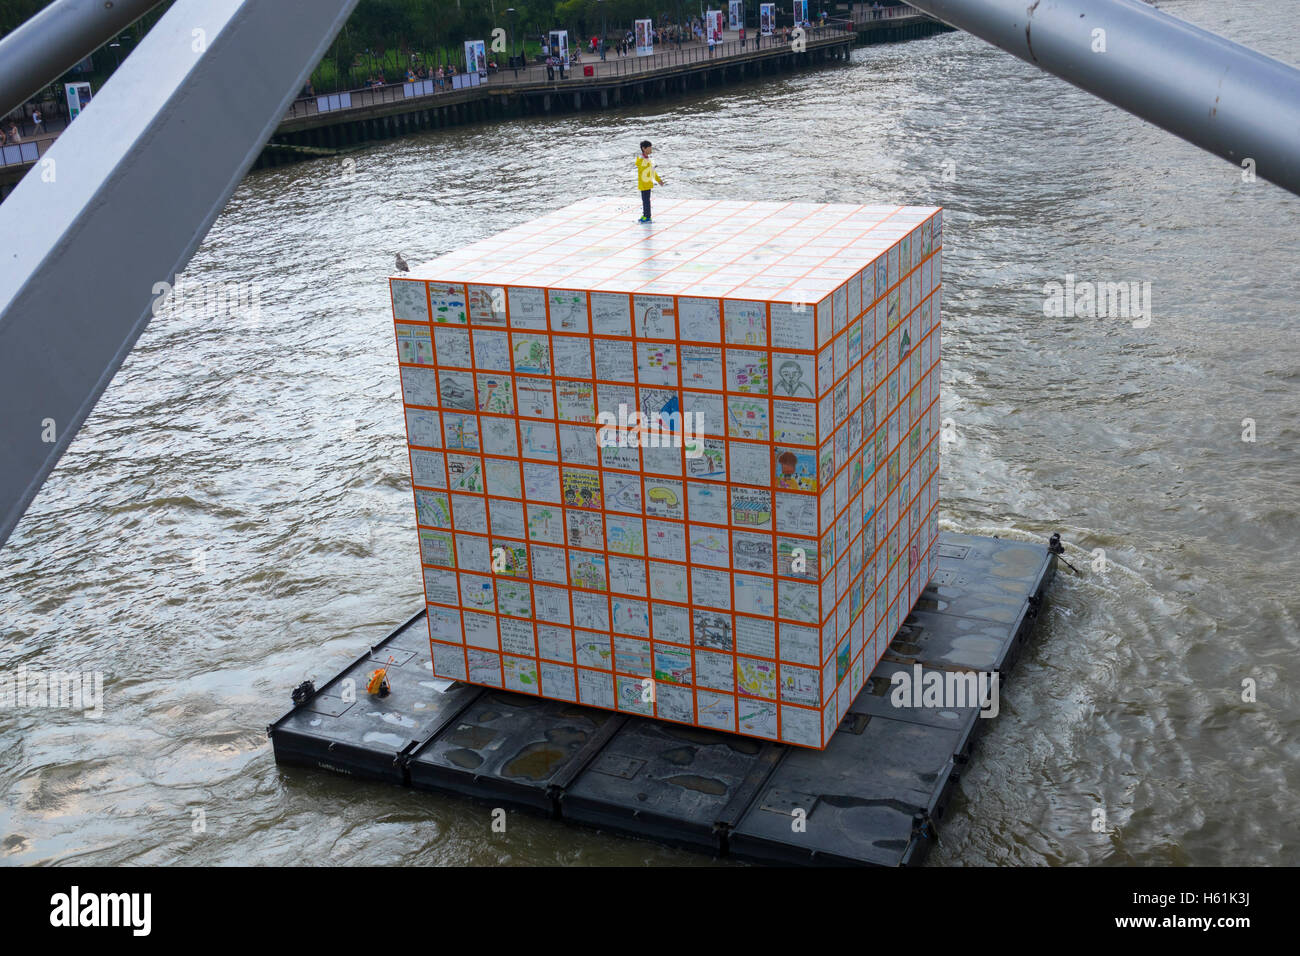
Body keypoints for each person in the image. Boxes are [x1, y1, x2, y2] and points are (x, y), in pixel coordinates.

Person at [634, 139, 664, 223]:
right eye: (649, 148)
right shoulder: (643, 159)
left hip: (646, 184)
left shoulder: (647, 159)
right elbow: (643, 168)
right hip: (643, 183)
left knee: (646, 200)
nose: (651, 149)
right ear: (644, 148)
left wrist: (658, 180)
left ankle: (647, 216)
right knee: (645, 201)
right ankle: (645, 215)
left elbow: (651, 171)